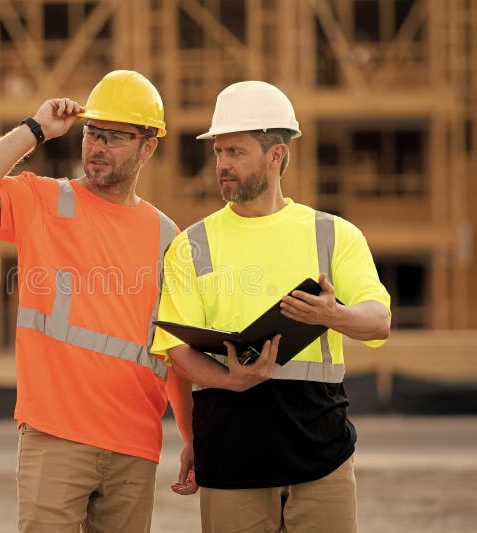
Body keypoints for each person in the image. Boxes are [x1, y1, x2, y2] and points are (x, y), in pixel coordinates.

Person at [0, 70, 194, 533]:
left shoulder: (167, 237)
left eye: (115, 137)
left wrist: (192, 435)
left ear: (148, 146)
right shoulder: (45, 201)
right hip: (55, 436)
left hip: (135, 446)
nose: (97, 146)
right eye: (92, 133)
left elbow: (173, 346)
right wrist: (35, 129)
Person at [151, 81, 392, 533]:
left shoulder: (333, 234)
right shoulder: (191, 246)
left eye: (235, 152)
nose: (222, 165)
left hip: (322, 458)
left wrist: (332, 315)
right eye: (219, 152)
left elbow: (379, 322)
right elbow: (176, 351)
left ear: (276, 155)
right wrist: (229, 379)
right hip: (229, 458)